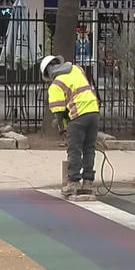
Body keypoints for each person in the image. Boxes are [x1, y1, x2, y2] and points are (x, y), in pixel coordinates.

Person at [40, 55, 100, 196]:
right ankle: (88, 183)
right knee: (89, 148)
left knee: (74, 149)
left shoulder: (56, 84)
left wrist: (62, 128)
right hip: (94, 112)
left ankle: (73, 183)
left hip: (78, 115)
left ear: (48, 72)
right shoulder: (77, 69)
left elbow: (59, 112)